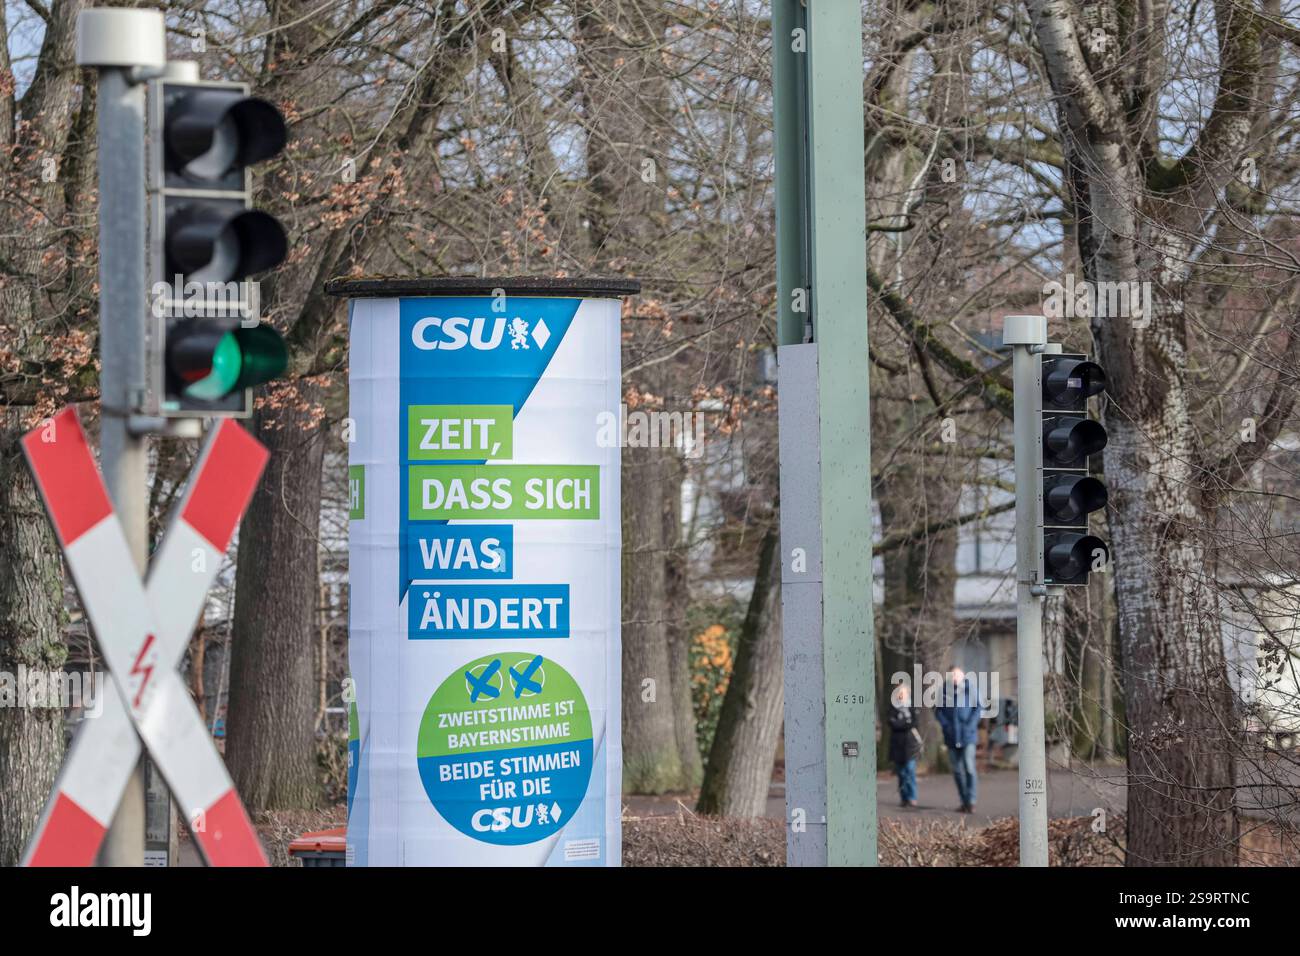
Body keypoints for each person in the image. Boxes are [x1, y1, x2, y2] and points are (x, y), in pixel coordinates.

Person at [936, 667, 980, 813]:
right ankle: (964, 800)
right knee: (957, 770)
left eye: (957, 674)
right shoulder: (944, 691)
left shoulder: (970, 689)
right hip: (951, 736)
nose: (955, 677)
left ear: (963, 675)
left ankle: (971, 800)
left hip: (968, 735)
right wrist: (946, 726)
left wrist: (970, 725)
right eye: (952, 674)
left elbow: (978, 708)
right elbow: (938, 710)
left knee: (969, 767)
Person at [888, 685, 922, 807]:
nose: (901, 695)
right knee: (901, 773)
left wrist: (900, 723)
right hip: (897, 745)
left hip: (910, 745)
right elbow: (892, 724)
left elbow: (914, 723)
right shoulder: (892, 708)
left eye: (903, 693)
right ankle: (904, 797)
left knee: (910, 771)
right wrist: (905, 723)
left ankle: (912, 797)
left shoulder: (912, 708)